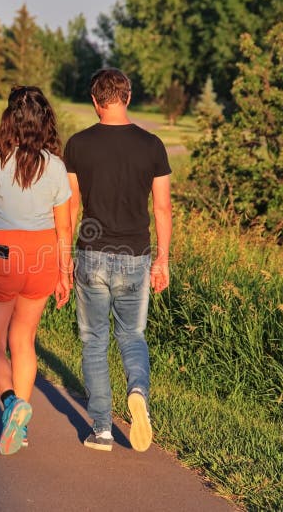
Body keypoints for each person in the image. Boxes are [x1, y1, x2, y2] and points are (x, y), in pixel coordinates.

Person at [0, 86, 73, 456]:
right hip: (42, 255)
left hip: (1, 254)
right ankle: (19, 430)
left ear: (9, 120)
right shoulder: (56, 167)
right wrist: (64, 272)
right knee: (23, 340)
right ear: (45, 123)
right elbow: (65, 227)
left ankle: (10, 403)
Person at [64, 68, 172, 453]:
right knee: (132, 336)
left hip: (91, 255)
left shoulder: (77, 145)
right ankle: (138, 391)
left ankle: (102, 430)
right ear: (127, 97)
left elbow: (72, 205)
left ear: (96, 101)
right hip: (136, 256)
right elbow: (162, 207)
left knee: (94, 341)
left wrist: (64, 258)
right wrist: (163, 260)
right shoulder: (152, 145)